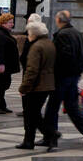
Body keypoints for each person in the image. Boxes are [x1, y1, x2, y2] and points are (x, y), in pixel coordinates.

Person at [45, 10, 83, 147]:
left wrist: (55, 71)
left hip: (62, 76)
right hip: (74, 75)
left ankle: (50, 136)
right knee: (71, 106)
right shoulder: (76, 33)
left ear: (59, 20)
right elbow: (82, 54)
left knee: (52, 106)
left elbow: (63, 56)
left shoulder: (62, 35)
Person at [16, 15, 59, 151]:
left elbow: (32, 70)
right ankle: (30, 140)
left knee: (31, 114)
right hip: (48, 84)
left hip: (36, 86)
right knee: (33, 114)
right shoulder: (49, 44)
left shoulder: (36, 47)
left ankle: (49, 134)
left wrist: (24, 87)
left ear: (33, 33)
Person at [0, 12, 20, 114]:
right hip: (1, 66)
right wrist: (0, 64)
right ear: (3, 23)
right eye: (10, 22)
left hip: (6, 65)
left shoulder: (4, 33)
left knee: (3, 85)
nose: (12, 24)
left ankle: (1, 105)